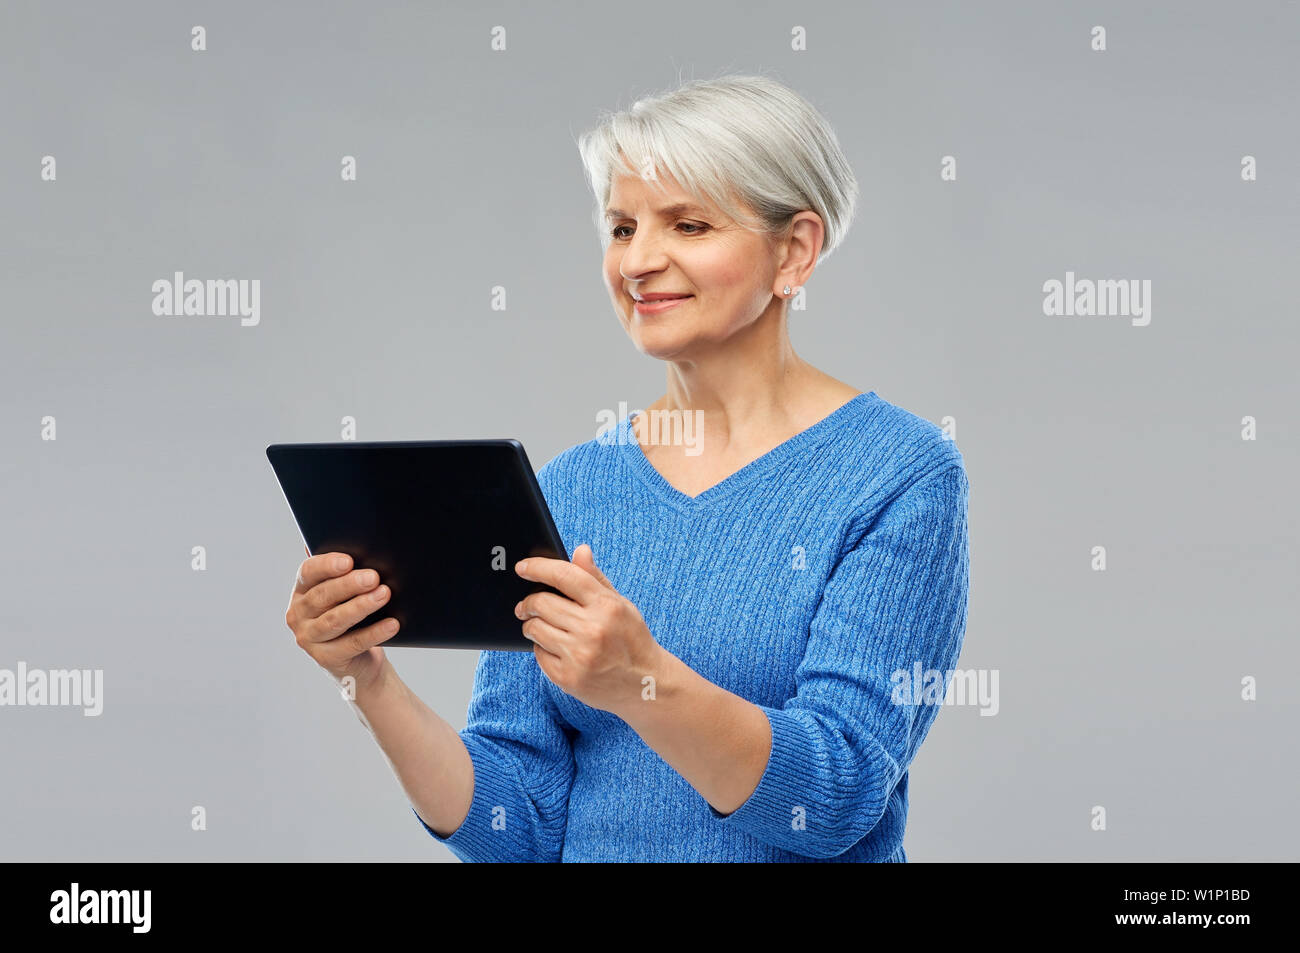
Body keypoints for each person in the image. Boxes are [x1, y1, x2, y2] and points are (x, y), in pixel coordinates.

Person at [284, 73, 970, 862]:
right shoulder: (574, 486)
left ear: (795, 249)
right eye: (620, 227)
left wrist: (642, 680)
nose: (639, 260)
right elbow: (520, 826)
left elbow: (835, 796)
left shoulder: (899, 474)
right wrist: (367, 678)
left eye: (688, 224)